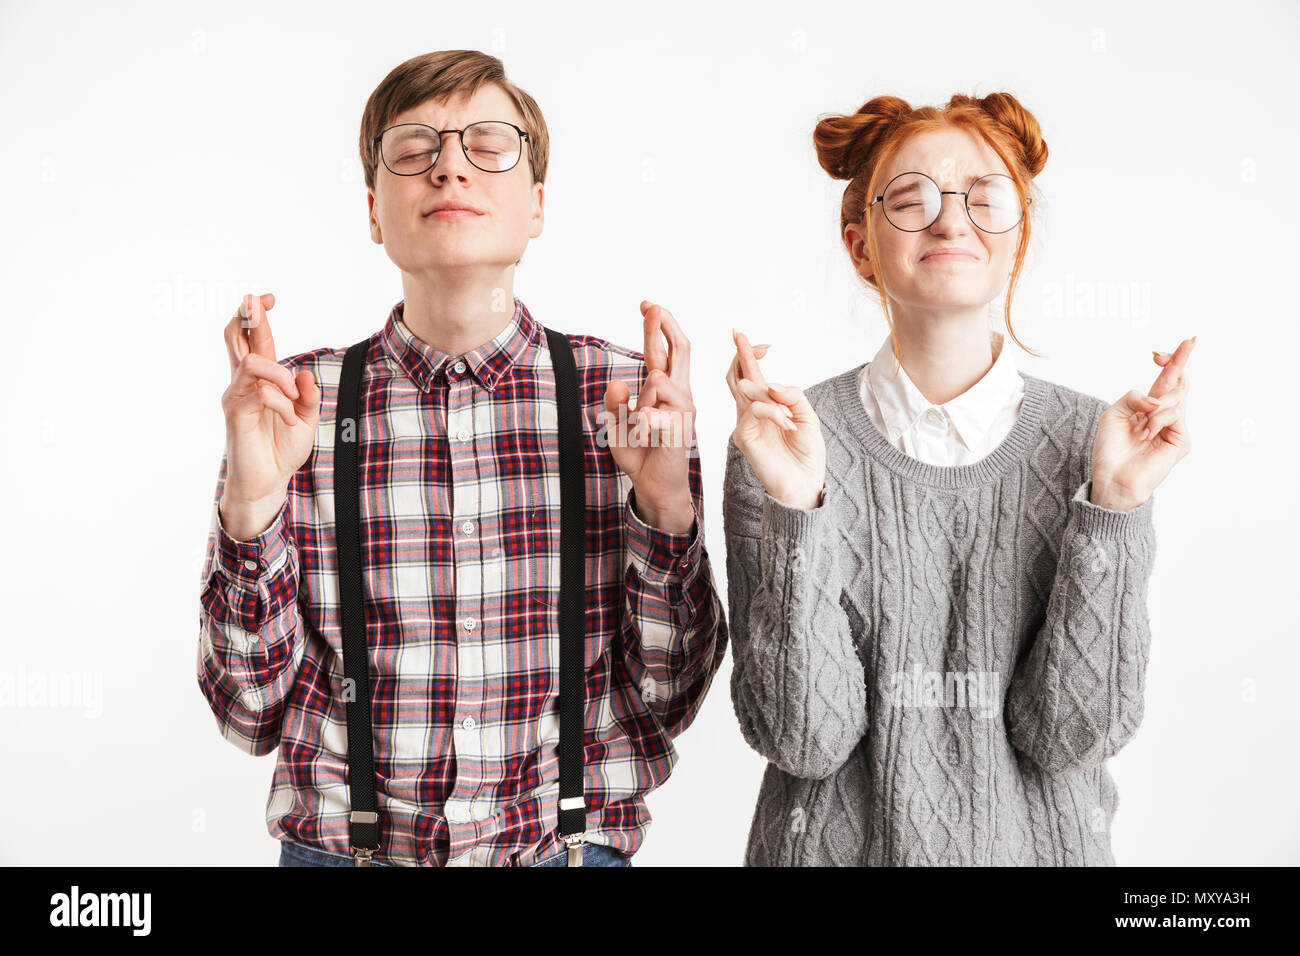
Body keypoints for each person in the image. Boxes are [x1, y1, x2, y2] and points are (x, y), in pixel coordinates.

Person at [196, 50, 726, 867]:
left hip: (567, 851)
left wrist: (665, 512)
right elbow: (247, 715)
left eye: (487, 144)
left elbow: (673, 694)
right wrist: (252, 509)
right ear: (375, 211)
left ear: (537, 204)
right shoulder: (297, 406)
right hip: (345, 851)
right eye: (415, 148)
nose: (449, 167)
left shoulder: (624, 399)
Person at [723, 91, 1194, 866]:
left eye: (985, 198)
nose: (950, 221)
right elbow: (803, 738)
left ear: (1019, 237)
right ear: (859, 248)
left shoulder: (1097, 443)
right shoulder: (780, 444)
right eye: (910, 199)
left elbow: (1075, 734)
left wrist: (1113, 505)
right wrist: (798, 507)